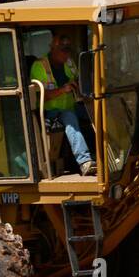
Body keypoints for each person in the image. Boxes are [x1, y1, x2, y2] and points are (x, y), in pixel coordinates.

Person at [30, 33, 96, 176]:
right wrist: (63, 90)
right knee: (70, 119)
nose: (66, 55)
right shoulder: (39, 66)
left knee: (98, 112)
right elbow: (40, 97)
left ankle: (107, 156)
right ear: (53, 49)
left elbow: (78, 79)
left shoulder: (69, 62)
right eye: (63, 51)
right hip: (51, 111)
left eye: (68, 50)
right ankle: (85, 162)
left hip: (73, 105)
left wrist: (79, 86)